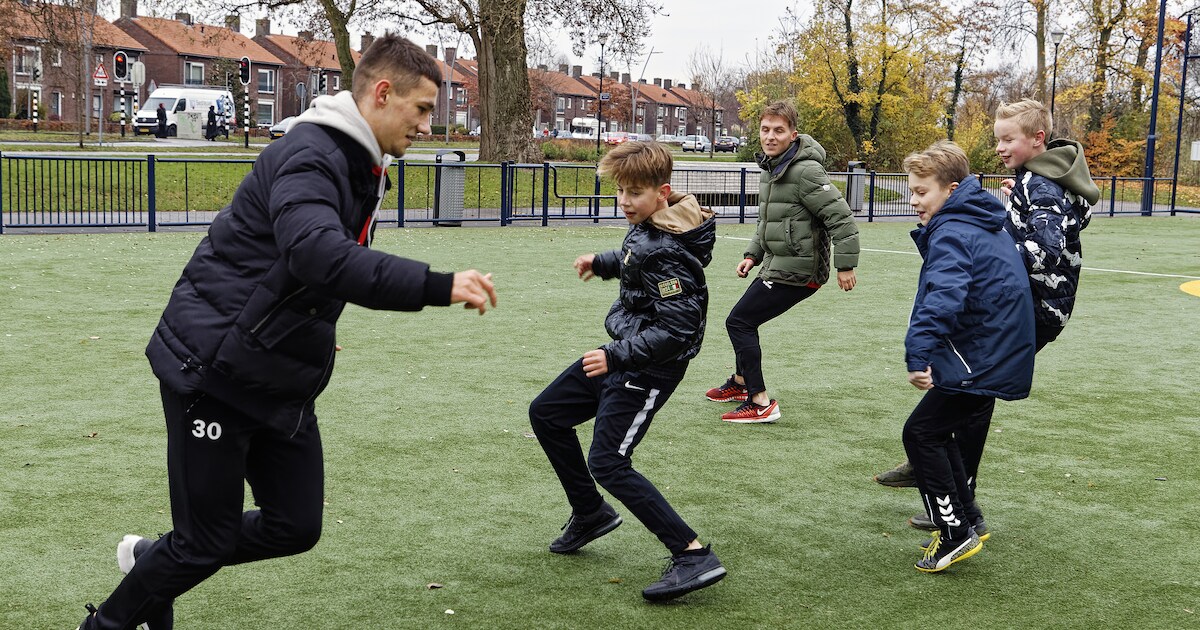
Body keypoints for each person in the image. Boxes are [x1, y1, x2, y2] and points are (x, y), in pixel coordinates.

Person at [77, 35, 498, 630]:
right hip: (215, 370)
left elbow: (303, 270)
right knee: (205, 541)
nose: (429, 126)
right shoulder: (312, 154)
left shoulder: (359, 161)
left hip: (276, 369)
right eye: (423, 109)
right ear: (382, 94)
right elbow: (316, 255)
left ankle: (153, 560)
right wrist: (437, 284)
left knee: (294, 526)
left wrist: (312, 323)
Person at [875, 100, 1099, 532]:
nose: (999, 147)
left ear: (1037, 140)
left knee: (970, 391)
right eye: (998, 138)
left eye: (1007, 138)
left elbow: (1045, 249)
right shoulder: (1040, 178)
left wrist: (991, 256)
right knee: (970, 390)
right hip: (1033, 302)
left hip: (1035, 305)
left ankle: (947, 483)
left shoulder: (1042, 183)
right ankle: (942, 472)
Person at [528, 141, 726, 601]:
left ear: (663, 192)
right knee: (547, 413)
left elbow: (679, 330)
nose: (624, 202)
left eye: (634, 193)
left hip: (648, 369)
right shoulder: (651, 227)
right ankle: (590, 513)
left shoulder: (670, 253)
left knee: (609, 461)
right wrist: (602, 263)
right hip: (624, 350)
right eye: (620, 191)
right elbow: (636, 259)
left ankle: (693, 554)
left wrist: (617, 357)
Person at [899, 140, 1035, 572]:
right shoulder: (973, 221)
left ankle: (954, 532)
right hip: (993, 349)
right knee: (939, 431)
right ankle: (969, 516)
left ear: (952, 189)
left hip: (983, 354)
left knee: (921, 433)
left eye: (922, 192)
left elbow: (944, 296)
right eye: (912, 190)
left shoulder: (955, 230)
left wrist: (917, 353)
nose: (913, 200)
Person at [703, 100, 859, 423]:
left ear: (793, 134)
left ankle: (759, 402)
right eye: (765, 129)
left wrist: (845, 265)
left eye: (778, 130)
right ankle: (741, 381)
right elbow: (768, 223)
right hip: (778, 264)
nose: (770, 136)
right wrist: (751, 255)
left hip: (800, 270)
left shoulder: (806, 171)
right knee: (744, 319)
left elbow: (841, 218)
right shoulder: (772, 168)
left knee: (739, 322)